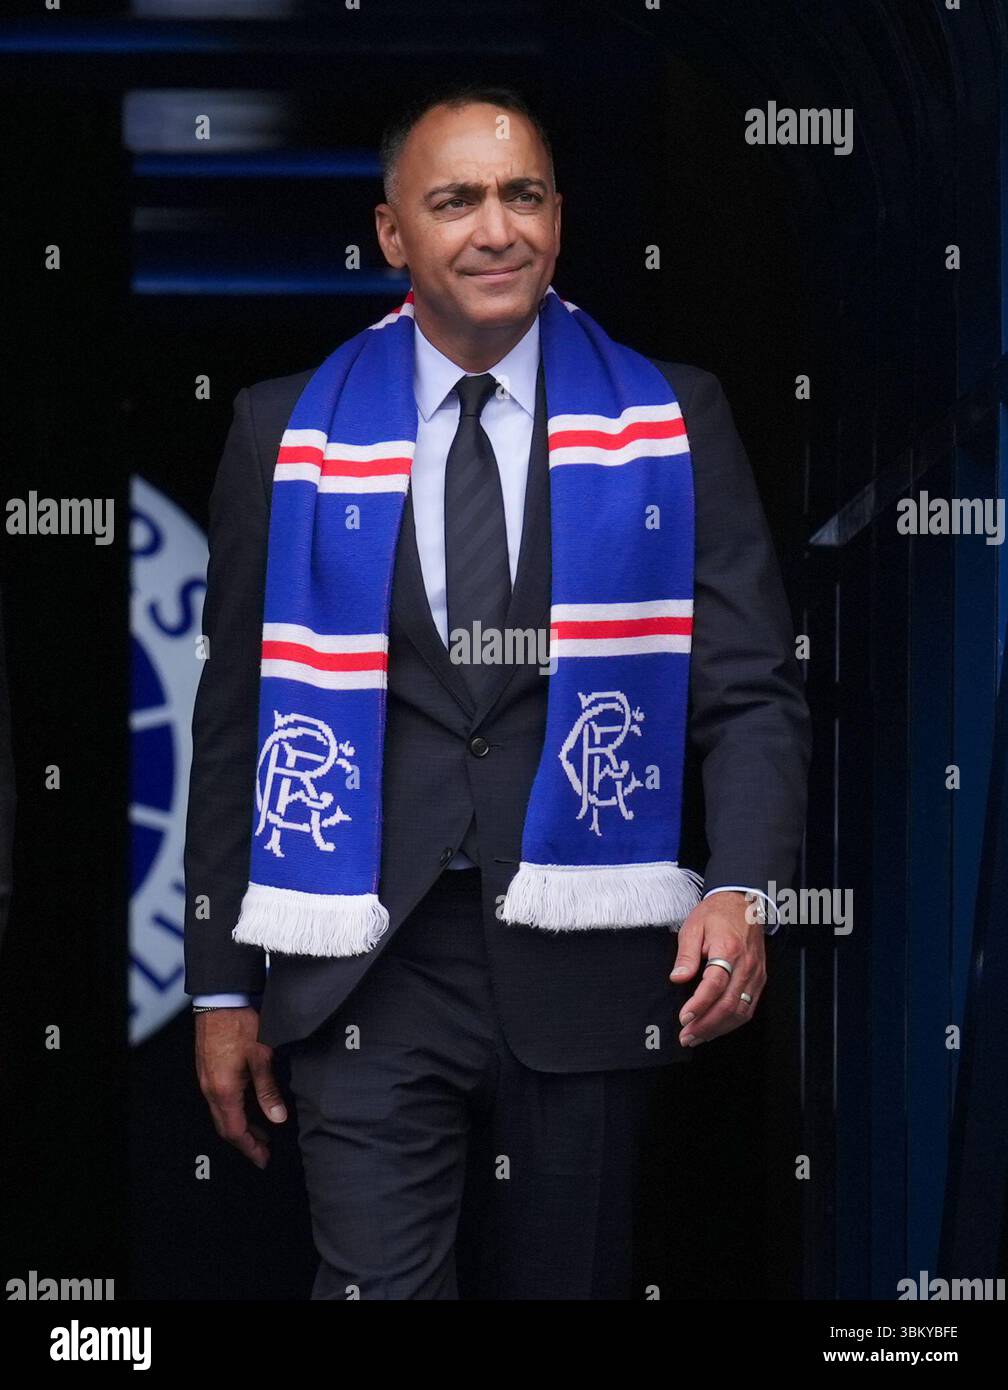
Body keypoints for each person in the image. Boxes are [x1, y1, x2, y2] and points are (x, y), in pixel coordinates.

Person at [183, 82, 812, 1300]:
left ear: (562, 220)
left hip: (587, 963)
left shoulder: (675, 419)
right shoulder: (278, 434)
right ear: (392, 235)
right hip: (365, 960)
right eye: (455, 200)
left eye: (522, 195)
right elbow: (234, 729)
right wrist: (220, 985)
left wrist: (743, 886)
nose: (495, 229)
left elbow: (748, 687)